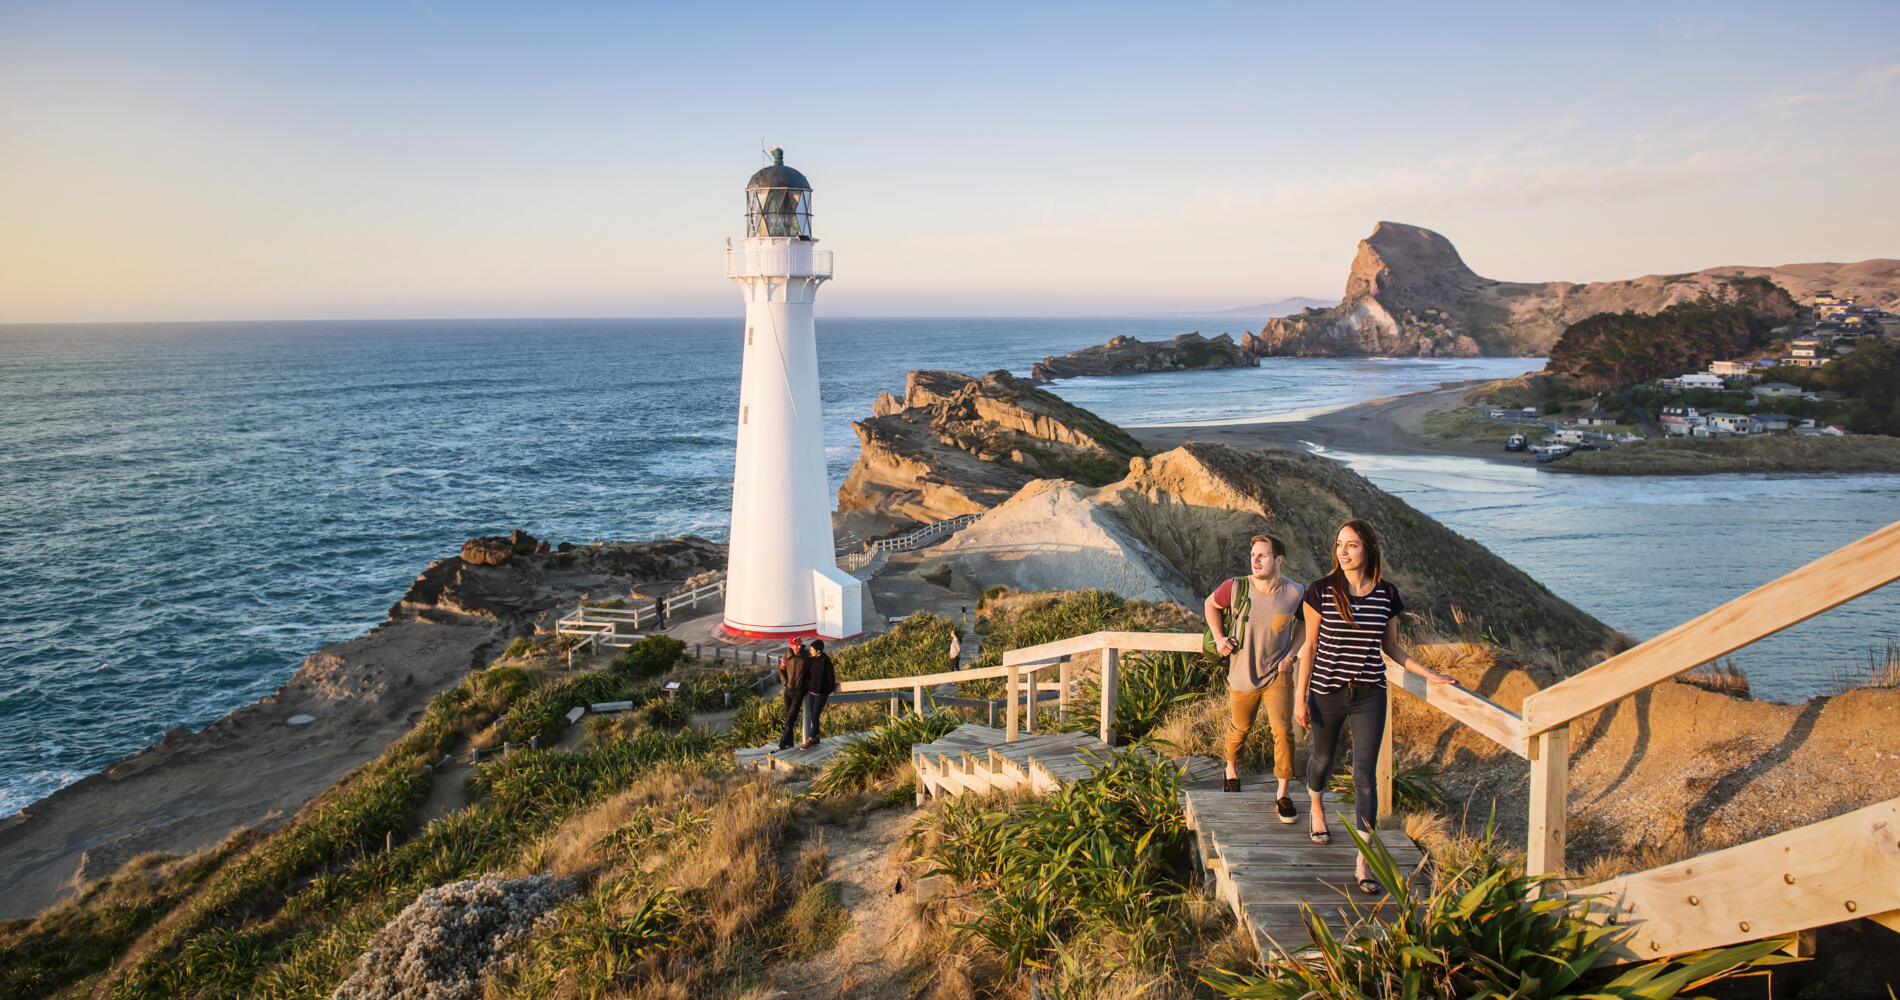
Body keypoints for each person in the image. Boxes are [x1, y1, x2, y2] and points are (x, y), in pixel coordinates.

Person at [1293, 518, 1457, 894]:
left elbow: (1392, 648)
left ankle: (1363, 862)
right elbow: (1310, 647)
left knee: (1364, 775)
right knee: (1322, 760)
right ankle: (1316, 808)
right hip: (1325, 692)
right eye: (1339, 545)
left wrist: (1429, 674)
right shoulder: (1320, 591)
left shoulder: (1387, 594)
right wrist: (1301, 698)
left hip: (1369, 693)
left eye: (1351, 545)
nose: (1343, 552)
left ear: (1368, 549)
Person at [1203, 534, 1305, 820]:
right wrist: (1219, 637)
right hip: (1242, 674)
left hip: (1278, 674)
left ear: (1279, 560)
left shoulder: (1295, 592)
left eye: (1263, 555)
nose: (1256, 560)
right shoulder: (1235, 587)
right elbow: (1210, 604)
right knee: (1240, 729)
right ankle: (1231, 769)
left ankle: (1283, 794)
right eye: (1253, 555)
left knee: (1283, 732)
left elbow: (1305, 623)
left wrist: (1292, 655)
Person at [800, 639, 838, 750]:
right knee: (812, 716)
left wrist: (827, 689)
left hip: (821, 693)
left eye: (812, 649)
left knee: (815, 716)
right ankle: (816, 737)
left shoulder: (825, 660)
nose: (810, 651)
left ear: (818, 650)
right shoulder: (812, 659)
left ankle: (811, 739)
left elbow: (831, 677)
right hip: (812, 692)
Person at [776, 636, 807, 750]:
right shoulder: (787, 656)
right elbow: (781, 670)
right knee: (788, 717)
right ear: (791, 645)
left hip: (799, 691)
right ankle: (789, 743)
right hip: (788, 691)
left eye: (800, 644)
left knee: (790, 718)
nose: (798, 646)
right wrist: (785, 682)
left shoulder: (806, 656)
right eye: (796, 645)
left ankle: (782, 744)